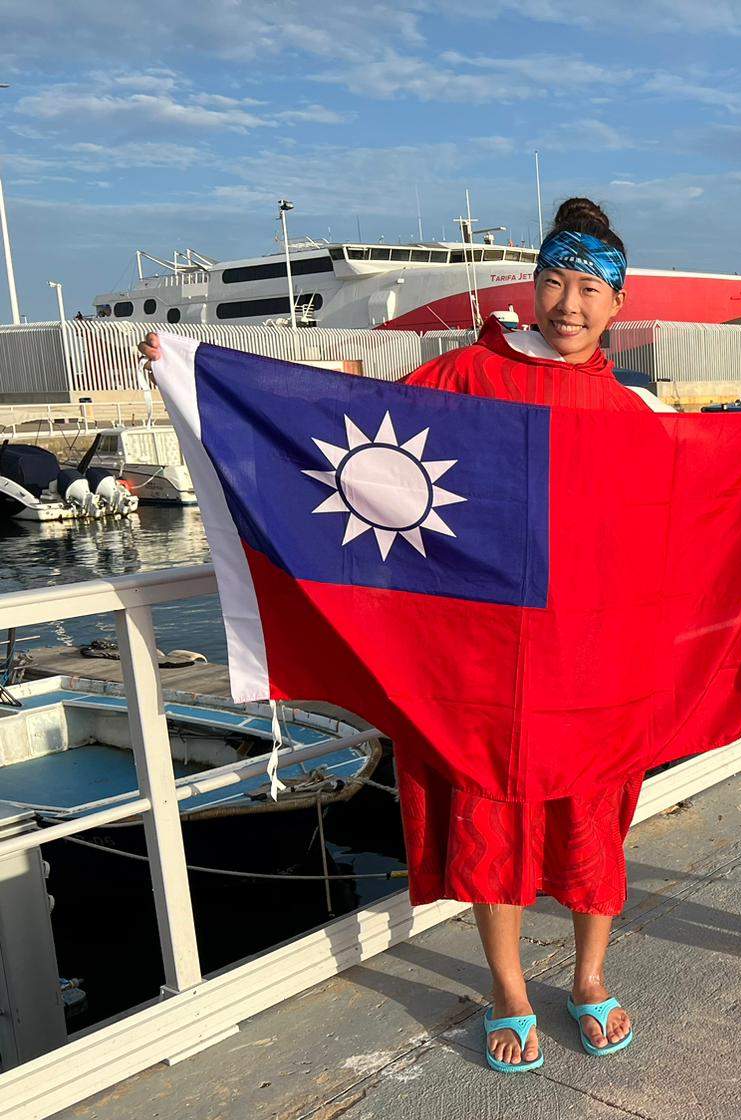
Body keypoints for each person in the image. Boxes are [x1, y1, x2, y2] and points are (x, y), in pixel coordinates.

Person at [139, 196, 659, 1075]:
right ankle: (509, 989)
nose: (568, 305)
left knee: (594, 817)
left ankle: (590, 975)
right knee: (492, 812)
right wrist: (201, 379)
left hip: (589, 658)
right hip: (485, 657)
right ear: (533, 286)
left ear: (617, 303)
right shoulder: (468, 376)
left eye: (589, 289)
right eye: (554, 281)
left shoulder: (631, 407)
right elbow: (344, 435)